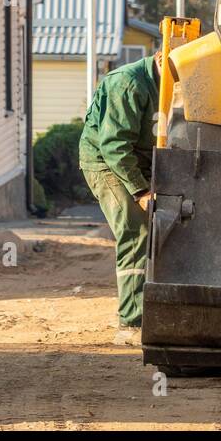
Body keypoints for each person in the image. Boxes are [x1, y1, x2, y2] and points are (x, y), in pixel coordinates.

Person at [79, 51, 161, 344]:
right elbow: (114, 145)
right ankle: (131, 323)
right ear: (164, 58)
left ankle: (150, 309)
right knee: (136, 229)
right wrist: (140, 191)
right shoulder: (128, 83)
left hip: (138, 161)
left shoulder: (170, 82)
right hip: (106, 163)